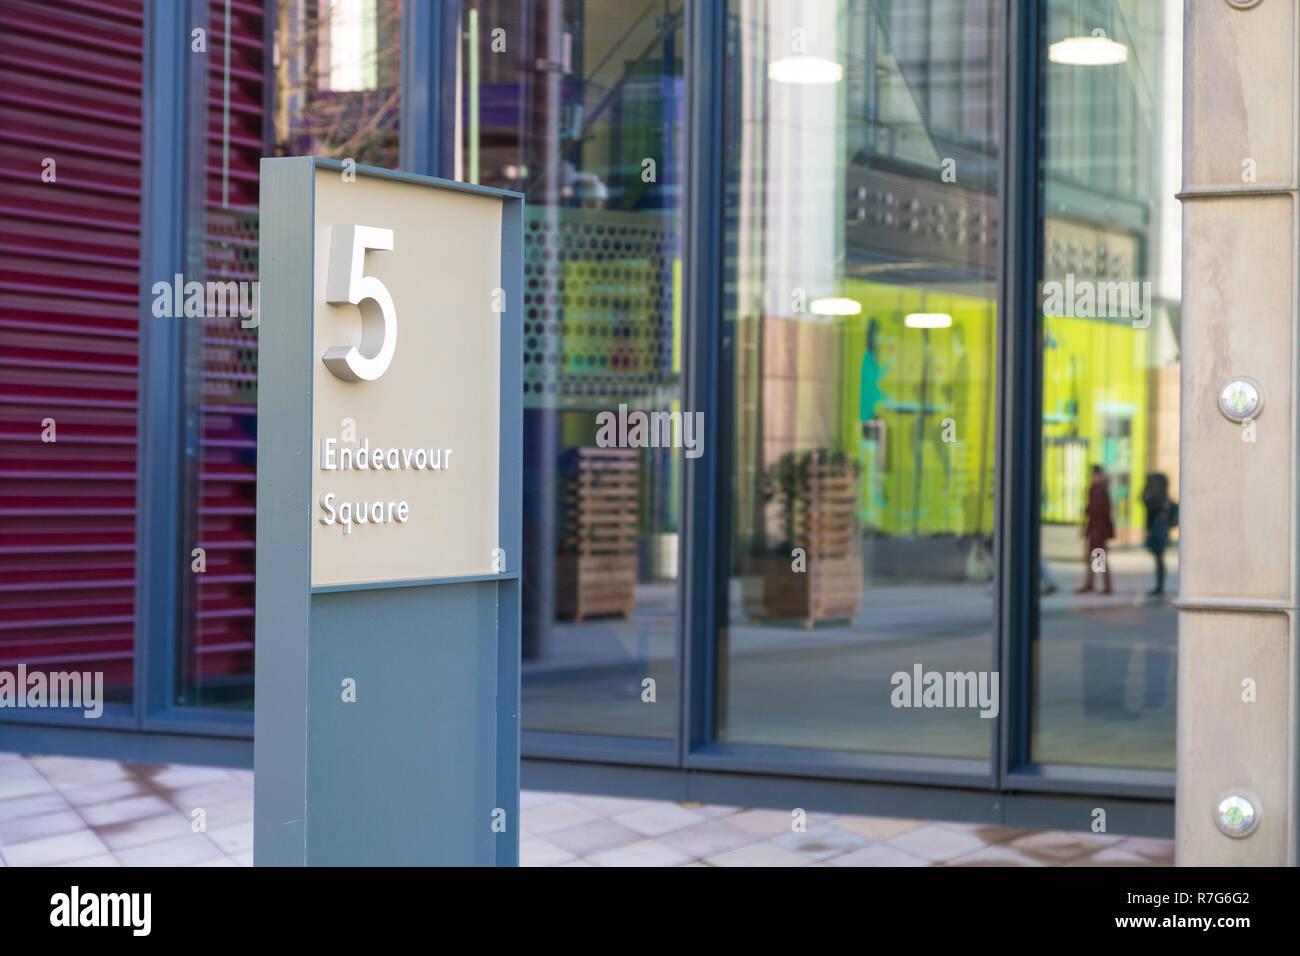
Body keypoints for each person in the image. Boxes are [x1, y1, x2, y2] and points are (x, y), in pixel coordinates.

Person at [1075, 464, 1114, 595]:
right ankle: (1092, 583)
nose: (1092, 477)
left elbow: (1100, 510)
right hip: (1095, 528)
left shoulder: (1100, 490)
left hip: (1098, 529)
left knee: (1098, 556)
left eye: (1094, 475)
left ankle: (1104, 586)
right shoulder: (1097, 489)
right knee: (1093, 557)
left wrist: (1088, 510)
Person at [1142, 472, 1175, 596]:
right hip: (1161, 533)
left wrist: (1146, 486)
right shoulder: (1164, 498)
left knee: (1159, 559)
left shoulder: (1158, 499)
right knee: (1160, 559)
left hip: (1158, 533)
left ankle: (1159, 586)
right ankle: (1159, 586)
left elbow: (1145, 501)